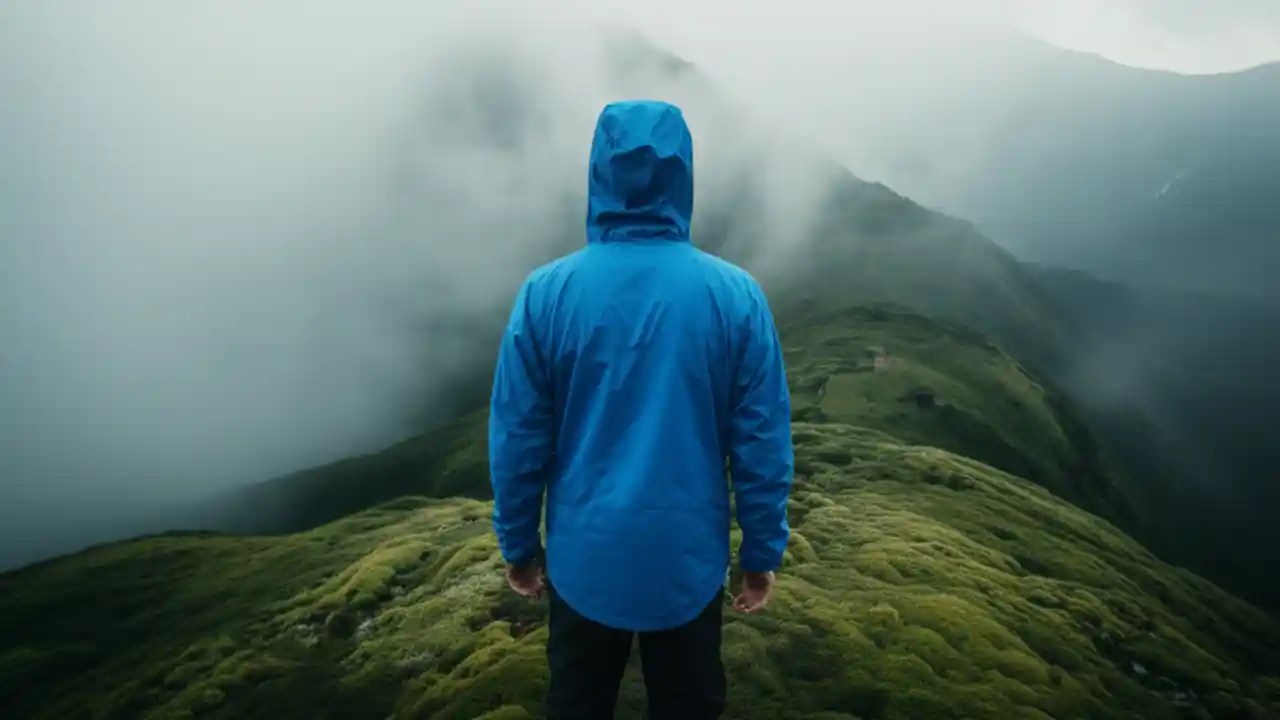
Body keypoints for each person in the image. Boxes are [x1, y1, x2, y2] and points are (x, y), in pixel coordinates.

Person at [488, 99, 794, 720]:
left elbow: (520, 437)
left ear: (597, 171)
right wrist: (759, 555)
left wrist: (519, 545)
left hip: (583, 560)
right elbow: (761, 441)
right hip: (687, 563)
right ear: (684, 175)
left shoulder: (546, 294)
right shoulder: (736, 297)